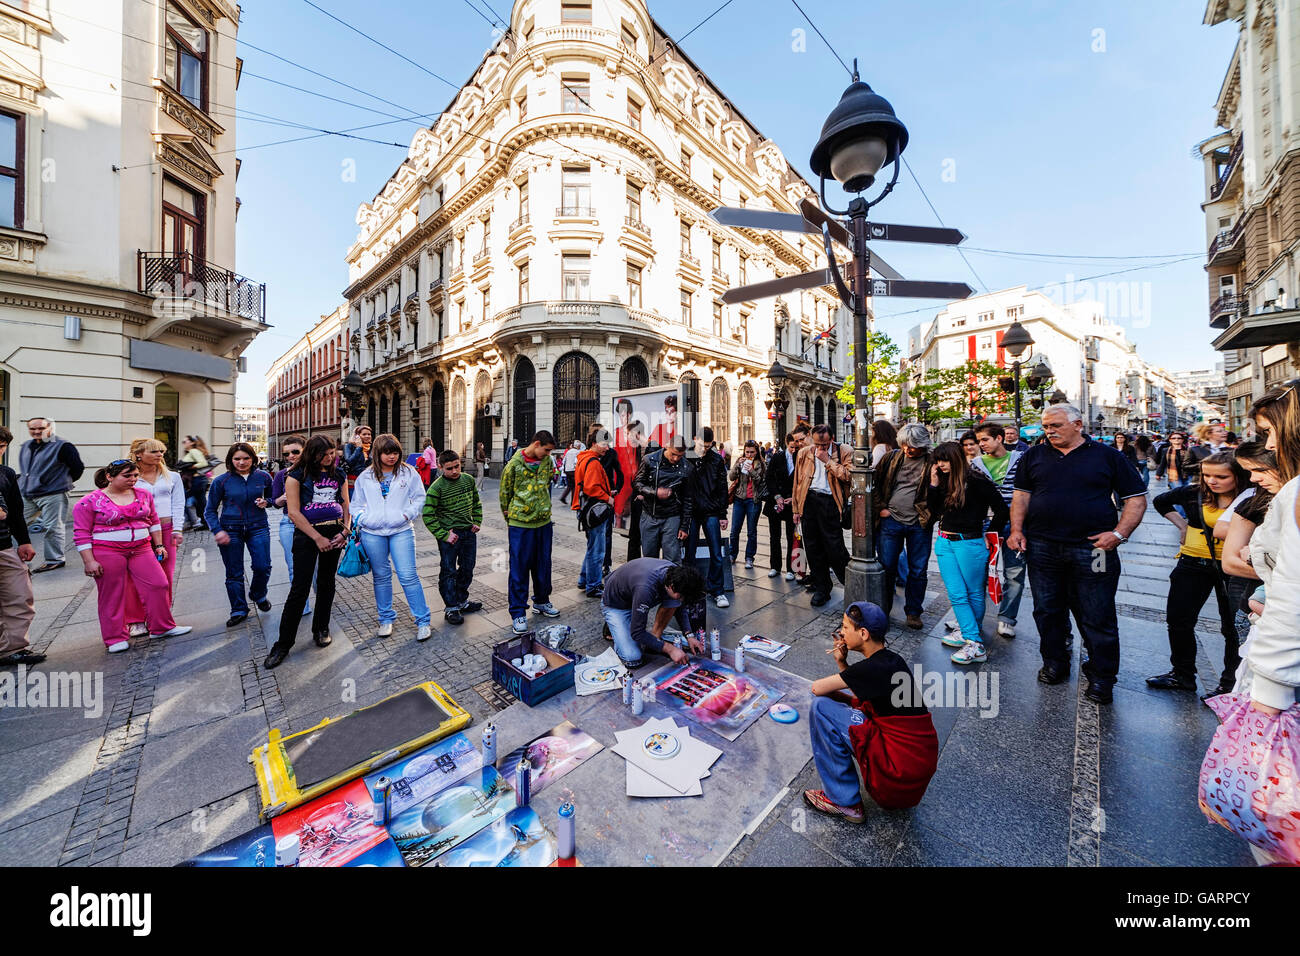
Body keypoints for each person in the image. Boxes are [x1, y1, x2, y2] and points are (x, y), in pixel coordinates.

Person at [1007, 405, 1147, 704]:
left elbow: (1135, 499)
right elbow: (1021, 497)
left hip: (1094, 549)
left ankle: (1101, 676)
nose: (1049, 431)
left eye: (1055, 425)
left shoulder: (1107, 456)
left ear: (1078, 425)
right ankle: (1054, 662)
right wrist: (1016, 530)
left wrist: (1119, 534)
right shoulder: (1034, 455)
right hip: (1043, 547)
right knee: (1047, 609)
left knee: (1097, 612)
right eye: (1046, 426)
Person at [804, 601, 938, 824]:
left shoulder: (870, 669)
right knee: (839, 703)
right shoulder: (893, 660)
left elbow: (816, 688)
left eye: (846, 627)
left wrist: (836, 687)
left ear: (863, 633)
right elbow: (862, 694)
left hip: (898, 773)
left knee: (820, 707)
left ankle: (844, 803)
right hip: (914, 771)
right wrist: (842, 662)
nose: (841, 632)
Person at [1145, 452, 1248, 696]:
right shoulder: (1195, 493)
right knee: (1179, 620)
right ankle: (1182, 675)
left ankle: (1229, 684)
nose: (1212, 481)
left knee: (1232, 627)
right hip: (1192, 561)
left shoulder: (1251, 497)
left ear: (1238, 475)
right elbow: (1161, 501)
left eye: (1221, 476)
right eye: (1207, 475)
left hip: (1232, 567)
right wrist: (1182, 525)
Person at [73, 460, 192, 653]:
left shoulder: (143, 494)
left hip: (142, 547)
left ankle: (161, 626)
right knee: (112, 593)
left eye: (135, 475)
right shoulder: (89, 502)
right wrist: (89, 561)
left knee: (158, 583)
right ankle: (114, 638)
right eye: (127, 476)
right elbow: (81, 533)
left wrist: (159, 545)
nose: (133, 479)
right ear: (109, 477)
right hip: (108, 550)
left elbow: (153, 520)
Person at [264, 435, 350, 669]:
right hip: (307, 535)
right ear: (313, 454)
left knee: (326, 583)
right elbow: (293, 512)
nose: (330, 457)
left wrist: (345, 531)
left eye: (333, 453)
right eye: (325, 454)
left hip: (334, 532)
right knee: (299, 588)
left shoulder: (338, 473)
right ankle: (283, 643)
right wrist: (317, 538)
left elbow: (345, 506)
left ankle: (321, 628)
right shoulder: (295, 476)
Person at [927, 441, 1010, 665]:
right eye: (937, 461)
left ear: (954, 458)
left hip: (970, 543)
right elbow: (934, 512)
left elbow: (1002, 510)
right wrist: (933, 485)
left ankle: (974, 642)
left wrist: (990, 534)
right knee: (956, 593)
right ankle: (968, 633)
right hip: (945, 542)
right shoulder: (943, 481)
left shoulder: (977, 480)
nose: (940, 465)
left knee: (973, 592)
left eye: (943, 460)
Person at [352, 434, 433, 643]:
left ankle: (423, 621)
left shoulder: (408, 472)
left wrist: (406, 515)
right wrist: (363, 519)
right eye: (387, 453)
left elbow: (419, 497)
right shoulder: (366, 476)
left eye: (395, 452)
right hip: (372, 532)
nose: (392, 457)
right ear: (377, 454)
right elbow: (356, 504)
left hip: (401, 530)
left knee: (408, 575)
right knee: (381, 576)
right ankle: (386, 618)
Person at [204, 442, 274, 627]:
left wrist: (266, 501)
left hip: (258, 526)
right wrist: (217, 530)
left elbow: (274, 498)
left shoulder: (264, 477)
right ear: (230, 460)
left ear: (253, 459)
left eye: (246, 458)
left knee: (263, 566)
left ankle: (258, 594)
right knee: (234, 572)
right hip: (230, 529)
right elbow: (210, 510)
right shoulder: (221, 481)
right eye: (237, 459)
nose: (242, 462)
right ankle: (239, 609)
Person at [500, 430, 561, 634]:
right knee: (519, 568)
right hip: (521, 525)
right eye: (546, 450)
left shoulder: (547, 462)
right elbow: (505, 493)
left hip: (543, 523)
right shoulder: (514, 465)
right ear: (536, 444)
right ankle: (518, 612)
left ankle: (542, 601)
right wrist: (511, 518)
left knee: (543, 564)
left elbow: (551, 481)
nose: (549, 454)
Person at [873, 424, 934, 628]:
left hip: (919, 523)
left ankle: (914, 612)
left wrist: (930, 514)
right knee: (887, 567)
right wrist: (881, 508)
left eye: (913, 446)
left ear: (923, 445)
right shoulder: (892, 457)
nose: (908, 449)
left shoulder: (932, 461)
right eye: (905, 445)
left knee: (917, 570)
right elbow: (875, 484)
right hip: (891, 521)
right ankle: (883, 610)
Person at [124, 438, 185, 638]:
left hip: (166, 530)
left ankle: (161, 618)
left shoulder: (173, 477)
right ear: (139, 454)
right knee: (134, 577)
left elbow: (178, 504)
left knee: (165, 574)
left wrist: (178, 530)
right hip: (140, 532)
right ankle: (135, 620)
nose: (160, 455)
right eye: (154, 451)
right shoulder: (130, 477)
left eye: (162, 451)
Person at [971, 422, 1026, 638]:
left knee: (1014, 573)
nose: (981, 444)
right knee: (978, 573)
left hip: (1015, 524)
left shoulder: (1020, 460)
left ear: (999, 438)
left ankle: (1006, 619)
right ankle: (971, 616)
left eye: (985, 439)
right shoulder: (975, 464)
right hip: (985, 524)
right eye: (979, 441)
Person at [600, 557, 705, 667]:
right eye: (682, 596)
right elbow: (637, 632)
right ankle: (614, 626)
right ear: (671, 586)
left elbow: (680, 605)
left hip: (634, 593)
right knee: (633, 657)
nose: (682, 600)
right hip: (616, 604)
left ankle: (625, 624)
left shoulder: (677, 575)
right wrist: (670, 649)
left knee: (674, 600)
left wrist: (689, 635)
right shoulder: (645, 589)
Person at [792, 424, 851, 608]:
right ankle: (822, 587)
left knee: (835, 547)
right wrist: (796, 509)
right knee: (813, 548)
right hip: (809, 501)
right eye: (818, 444)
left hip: (830, 502)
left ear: (832, 438)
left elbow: (849, 476)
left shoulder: (844, 451)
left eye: (825, 444)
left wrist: (828, 461)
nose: (821, 448)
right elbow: (798, 482)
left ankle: (851, 584)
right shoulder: (804, 453)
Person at [422, 449, 483, 626]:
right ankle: (451, 607)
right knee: (448, 571)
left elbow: (476, 503)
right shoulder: (437, 487)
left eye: (457, 466)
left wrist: (476, 521)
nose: (455, 471)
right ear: (440, 467)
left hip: (468, 533)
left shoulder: (468, 480)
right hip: (450, 536)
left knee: (468, 568)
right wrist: (443, 535)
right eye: (450, 468)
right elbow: (428, 515)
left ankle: (461, 600)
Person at [18, 417, 84, 572]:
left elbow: (77, 468)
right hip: (28, 492)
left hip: (53, 493)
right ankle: (12, 555)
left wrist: (60, 483)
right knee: (16, 521)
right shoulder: (27, 446)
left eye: (40, 428)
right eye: (33, 429)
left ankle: (54, 559)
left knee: (52, 527)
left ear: (50, 428)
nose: (36, 432)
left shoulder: (63, 446)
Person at [0, 426, 41, 666]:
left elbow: (15, 511)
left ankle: (13, 648)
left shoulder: (5, 473)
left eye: (2, 447)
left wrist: (24, 540)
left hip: (4, 546)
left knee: (19, 596)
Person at [686, 427, 730, 609]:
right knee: (689, 553)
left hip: (711, 511)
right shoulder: (688, 457)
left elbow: (722, 488)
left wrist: (723, 514)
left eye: (707, 446)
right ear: (695, 440)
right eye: (701, 445)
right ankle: (688, 589)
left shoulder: (717, 459)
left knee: (716, 553)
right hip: (692, 512)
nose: (704, 449)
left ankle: (717, 590)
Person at [632, 435, 693, 563]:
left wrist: (684, 526)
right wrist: (655, 492)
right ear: (667, 447)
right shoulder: (649, 460)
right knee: (649, 559)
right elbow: (637, 483)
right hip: (650, 514)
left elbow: (688, 498)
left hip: (672, 516)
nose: (675, 458)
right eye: (673, 454)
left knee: (672, 559)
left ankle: (672, 583)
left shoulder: (686, 467)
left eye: (680, 456)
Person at [271, 436, 314, 619]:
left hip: (314, 523)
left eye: (295, 451)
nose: (291, 456)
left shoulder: (316, 472)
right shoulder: (282, 475)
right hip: (289, 524)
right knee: (294, 568)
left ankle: (323, 601)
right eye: (286, 453)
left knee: (318, 569)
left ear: (305, 450)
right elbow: (275, 501)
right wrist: (281, 499)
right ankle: (302, 606)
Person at [573, 427, 616, 598]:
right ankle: (593, 585)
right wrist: (608, 497)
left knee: (592, 547)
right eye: (604, 444)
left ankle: (584, 579)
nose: (607, 448)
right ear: (594, 443)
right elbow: (591, 488)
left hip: (586, 509)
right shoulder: (593, 462)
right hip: (595, 510)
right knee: (598, 550)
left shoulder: (585, 459)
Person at [765, 431, 800, 581]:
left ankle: (792, 568)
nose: (794, 450)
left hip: (793, 503)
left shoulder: (801, 457)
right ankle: (775, 566)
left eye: (796, 447)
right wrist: (777, 496)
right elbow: (769, 477)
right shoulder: (777, 457)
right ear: (787, 444)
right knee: (775, 536)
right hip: (776, 502)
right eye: (792, 447)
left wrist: (794, 498)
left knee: (793, 536)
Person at [728, 439, 767, 572]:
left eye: (752, 452)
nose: (749, 454)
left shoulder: (761, 464)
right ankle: (732, 555)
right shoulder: (740, 460)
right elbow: (732, 477)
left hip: (754, 501)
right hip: (739, 499)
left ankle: (749, 557)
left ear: (757, 452)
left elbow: (760, 481)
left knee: (752, 531)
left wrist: (751, 470)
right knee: (734, 530)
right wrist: (737, 466)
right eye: (747, 451)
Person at [177, 435, 214, 531]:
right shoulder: (190, 452)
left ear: (192, 443)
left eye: (185, 442)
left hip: (198, 480)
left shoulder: (194, 451)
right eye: (183, 442)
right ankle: (204, 522)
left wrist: (191, 467)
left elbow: (203, 463)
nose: (184, 444)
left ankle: (194, 522)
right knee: (199, 502)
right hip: (197, 480)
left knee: (186, 499)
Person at [341, 424, 373, 492]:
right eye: (364, 434)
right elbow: (349, 461)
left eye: (369, 434)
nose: (367, 436)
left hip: (367, 480)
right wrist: (359, 448)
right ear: (357, 436)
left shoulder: (371, 447)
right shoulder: (349, 446)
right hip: (353, 480)